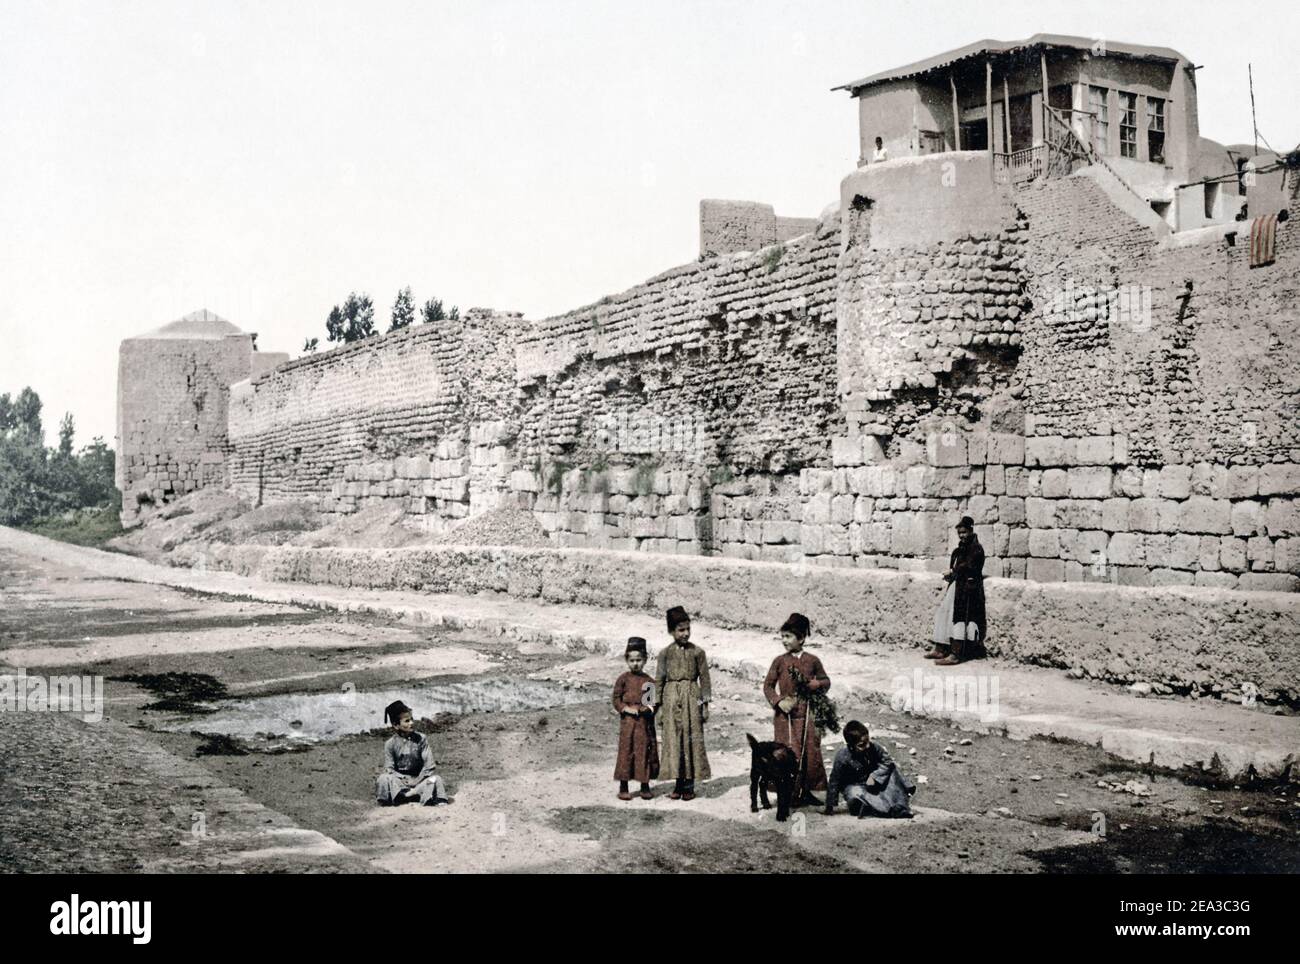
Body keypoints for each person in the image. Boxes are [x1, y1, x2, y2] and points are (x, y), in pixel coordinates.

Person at [761, 612, 830, 806]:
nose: (784, 640)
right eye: (782, 636)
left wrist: (817, 684)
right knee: (787, 754)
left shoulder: (813, 660)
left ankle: (805, 792)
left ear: (801, 638)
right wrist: (778, 701)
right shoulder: (779, 661)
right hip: (786, 716)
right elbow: (767, 686)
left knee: (809, 753)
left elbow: (826, 681)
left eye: (788, 636)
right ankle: (788, 793)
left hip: (807, 714)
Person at [653, 606, 711, 800]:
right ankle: (677, 785)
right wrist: (656, 707)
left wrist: (704, 705)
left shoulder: (698, 652)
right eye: (680, 630)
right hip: (670, 700)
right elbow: (658, 680)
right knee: (674, 741)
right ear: (671, 631)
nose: (685, 633)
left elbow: (705, 679)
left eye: (688, 629)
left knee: (690, 740)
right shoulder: (664, 654)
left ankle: (689, 786)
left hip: (691, 699)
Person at [823, 720, 915, 819]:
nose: (867, 746)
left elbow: (887, 762)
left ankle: (898, 807)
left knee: (893, 770)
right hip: (855, 786)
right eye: (861, 745)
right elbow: (834, 780)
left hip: (875, 782)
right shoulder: (842, 756)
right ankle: (877, 808)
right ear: (851, 746)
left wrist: (874, 776)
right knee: (854, 795)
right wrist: (830, 805)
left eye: (868, 742)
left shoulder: (875, 748)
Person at [927, 515, 988, 665]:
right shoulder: (958, 550)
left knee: (960, 619)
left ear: (971, 531)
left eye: (964, 532)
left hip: (968, 589)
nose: (962, 535)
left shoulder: (976, 549)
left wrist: (953, 571)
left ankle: (956, 653)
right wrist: (952, 574)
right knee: (944, 613)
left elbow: (970, 566)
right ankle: (941, 648)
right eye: (959, 533)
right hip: (956, 587)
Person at [375, 699, 450, 806]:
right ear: (396, 725)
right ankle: (404, 795)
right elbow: (389, 768)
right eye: (407, 721)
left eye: (412, 719)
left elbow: (429, 765)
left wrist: (417, 780)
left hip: (420, 780)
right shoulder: (390, 744)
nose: (411, 723)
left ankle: (409, 795)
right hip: (400, 783)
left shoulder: (421, 739)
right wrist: (402, 779)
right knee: (383, 779)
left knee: (436, 779)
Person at [612, 636, 659, 800]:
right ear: (627, 660)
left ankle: (644, 786)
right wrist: (625, 708)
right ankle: (623, 786)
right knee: (626, 753)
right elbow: (616, 699)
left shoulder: (648, 682)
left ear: (645, 660)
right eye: (632, 660)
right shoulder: (623, 679)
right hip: (627, 724)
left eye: (639, 660)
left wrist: (647, 709)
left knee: (642, 753)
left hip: (643, 725)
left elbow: (653, 703)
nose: (636, 664)